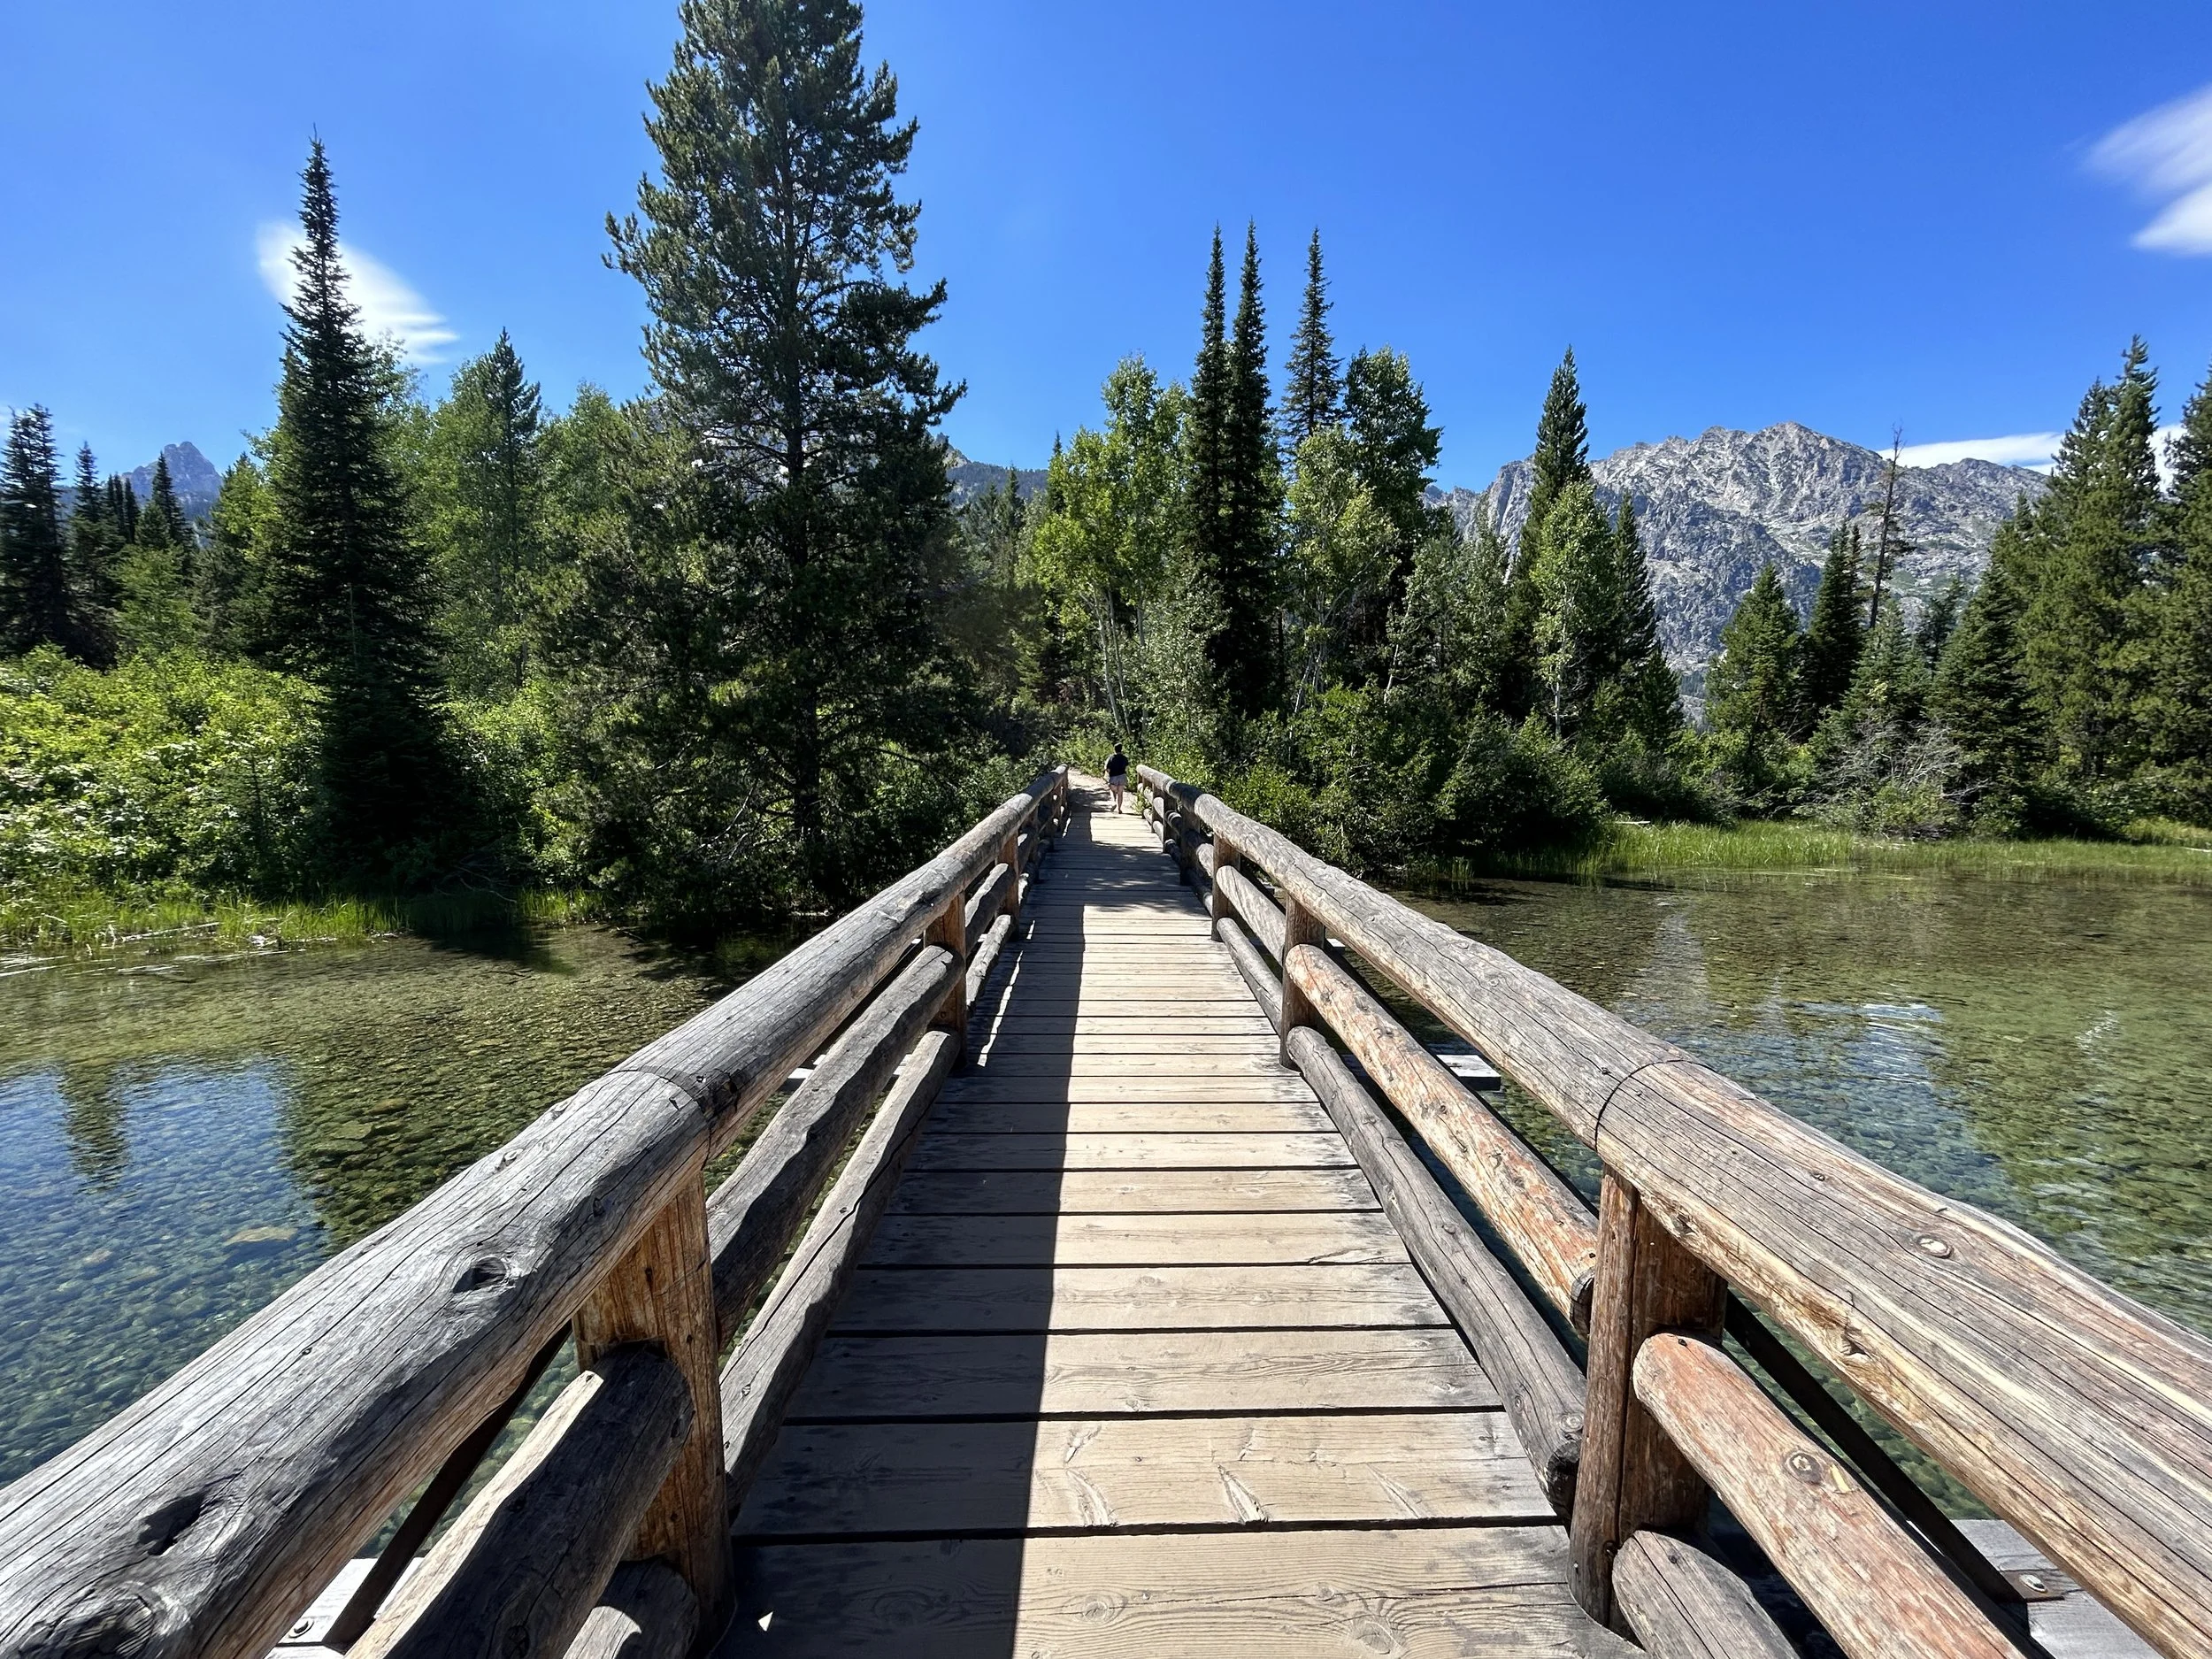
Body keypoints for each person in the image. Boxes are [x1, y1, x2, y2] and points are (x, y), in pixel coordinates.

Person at [1104, 743, 1129, 813]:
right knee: (1120, 793)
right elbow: (1126, 767)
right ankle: (1119, 809)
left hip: (1113, 777)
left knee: (1112, 791)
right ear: (1121, 749)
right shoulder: (1124, 758)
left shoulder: (1111, 758)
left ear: (1114, 749)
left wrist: (1108, 774)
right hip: (1122, 776)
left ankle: (1114, 802)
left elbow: (1107, 768)